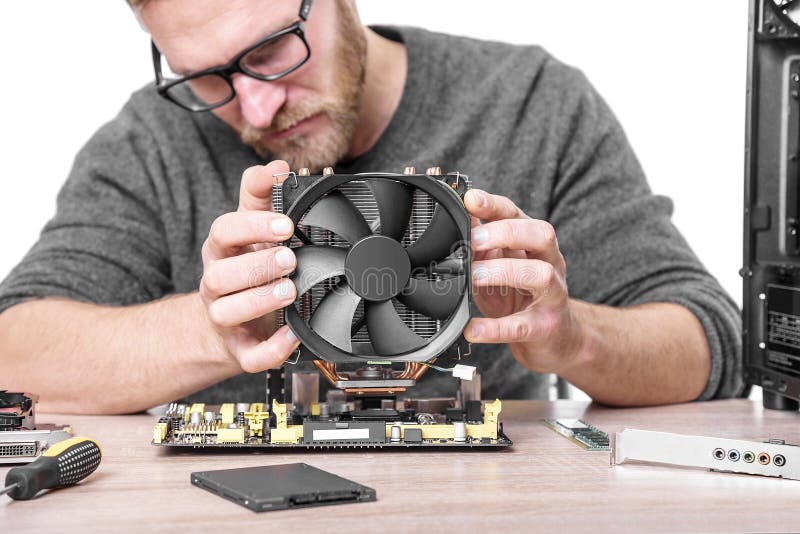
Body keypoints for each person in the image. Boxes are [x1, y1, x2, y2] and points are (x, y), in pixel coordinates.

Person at [0, 0, 743, 414]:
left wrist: (572, 338)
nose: (255, 106)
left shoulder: (527, 103)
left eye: (271, 51)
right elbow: (14, 350)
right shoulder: (155, 141)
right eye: (207, 78)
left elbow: (714, 347)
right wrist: (214, 327)